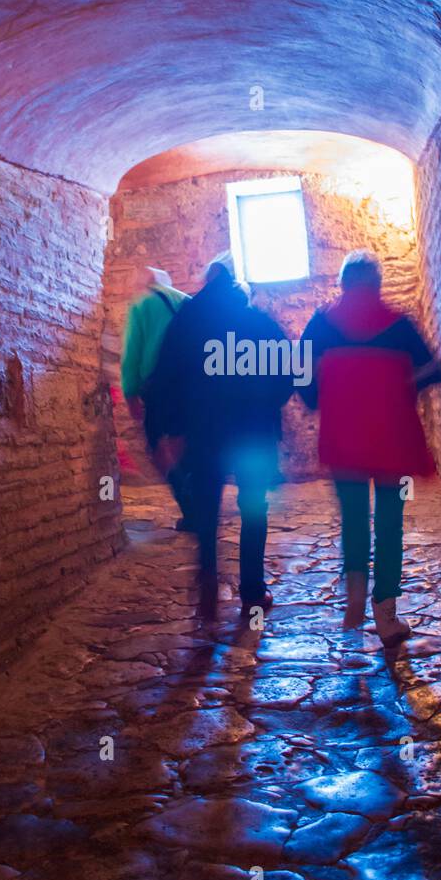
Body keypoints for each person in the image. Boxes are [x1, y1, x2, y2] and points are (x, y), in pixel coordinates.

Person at [299, 250, 441, 647]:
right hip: (391, 440)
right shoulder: (400, 326)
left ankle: (355, 600)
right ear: (377, 284)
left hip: (343, 440)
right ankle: (386, 614)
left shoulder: (321, 324)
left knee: (354, 519)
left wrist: (318, 399)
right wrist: (402, 385)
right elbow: (435, 370)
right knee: (390, 523)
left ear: (343, 283)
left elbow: (302, 378)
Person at [149, 252, 294, 623]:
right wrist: (267, 407)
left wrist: (166, 430)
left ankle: (208, 582)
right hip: (253, 433)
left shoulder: (187, 322)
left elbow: (164, 378)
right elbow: (287, 373)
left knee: (206, 510)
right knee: (254, 507)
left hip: (205, 432)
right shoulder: (258, 322)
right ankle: (252, 591)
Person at [121, 266, 192, 527]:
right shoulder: (188, 301)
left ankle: (189, 505)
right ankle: (198, 503)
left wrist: (130, 394)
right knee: (188, 442)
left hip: (159, 387)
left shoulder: (142, 305)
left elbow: (132, 353)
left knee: (157, 446)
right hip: (191, 385)